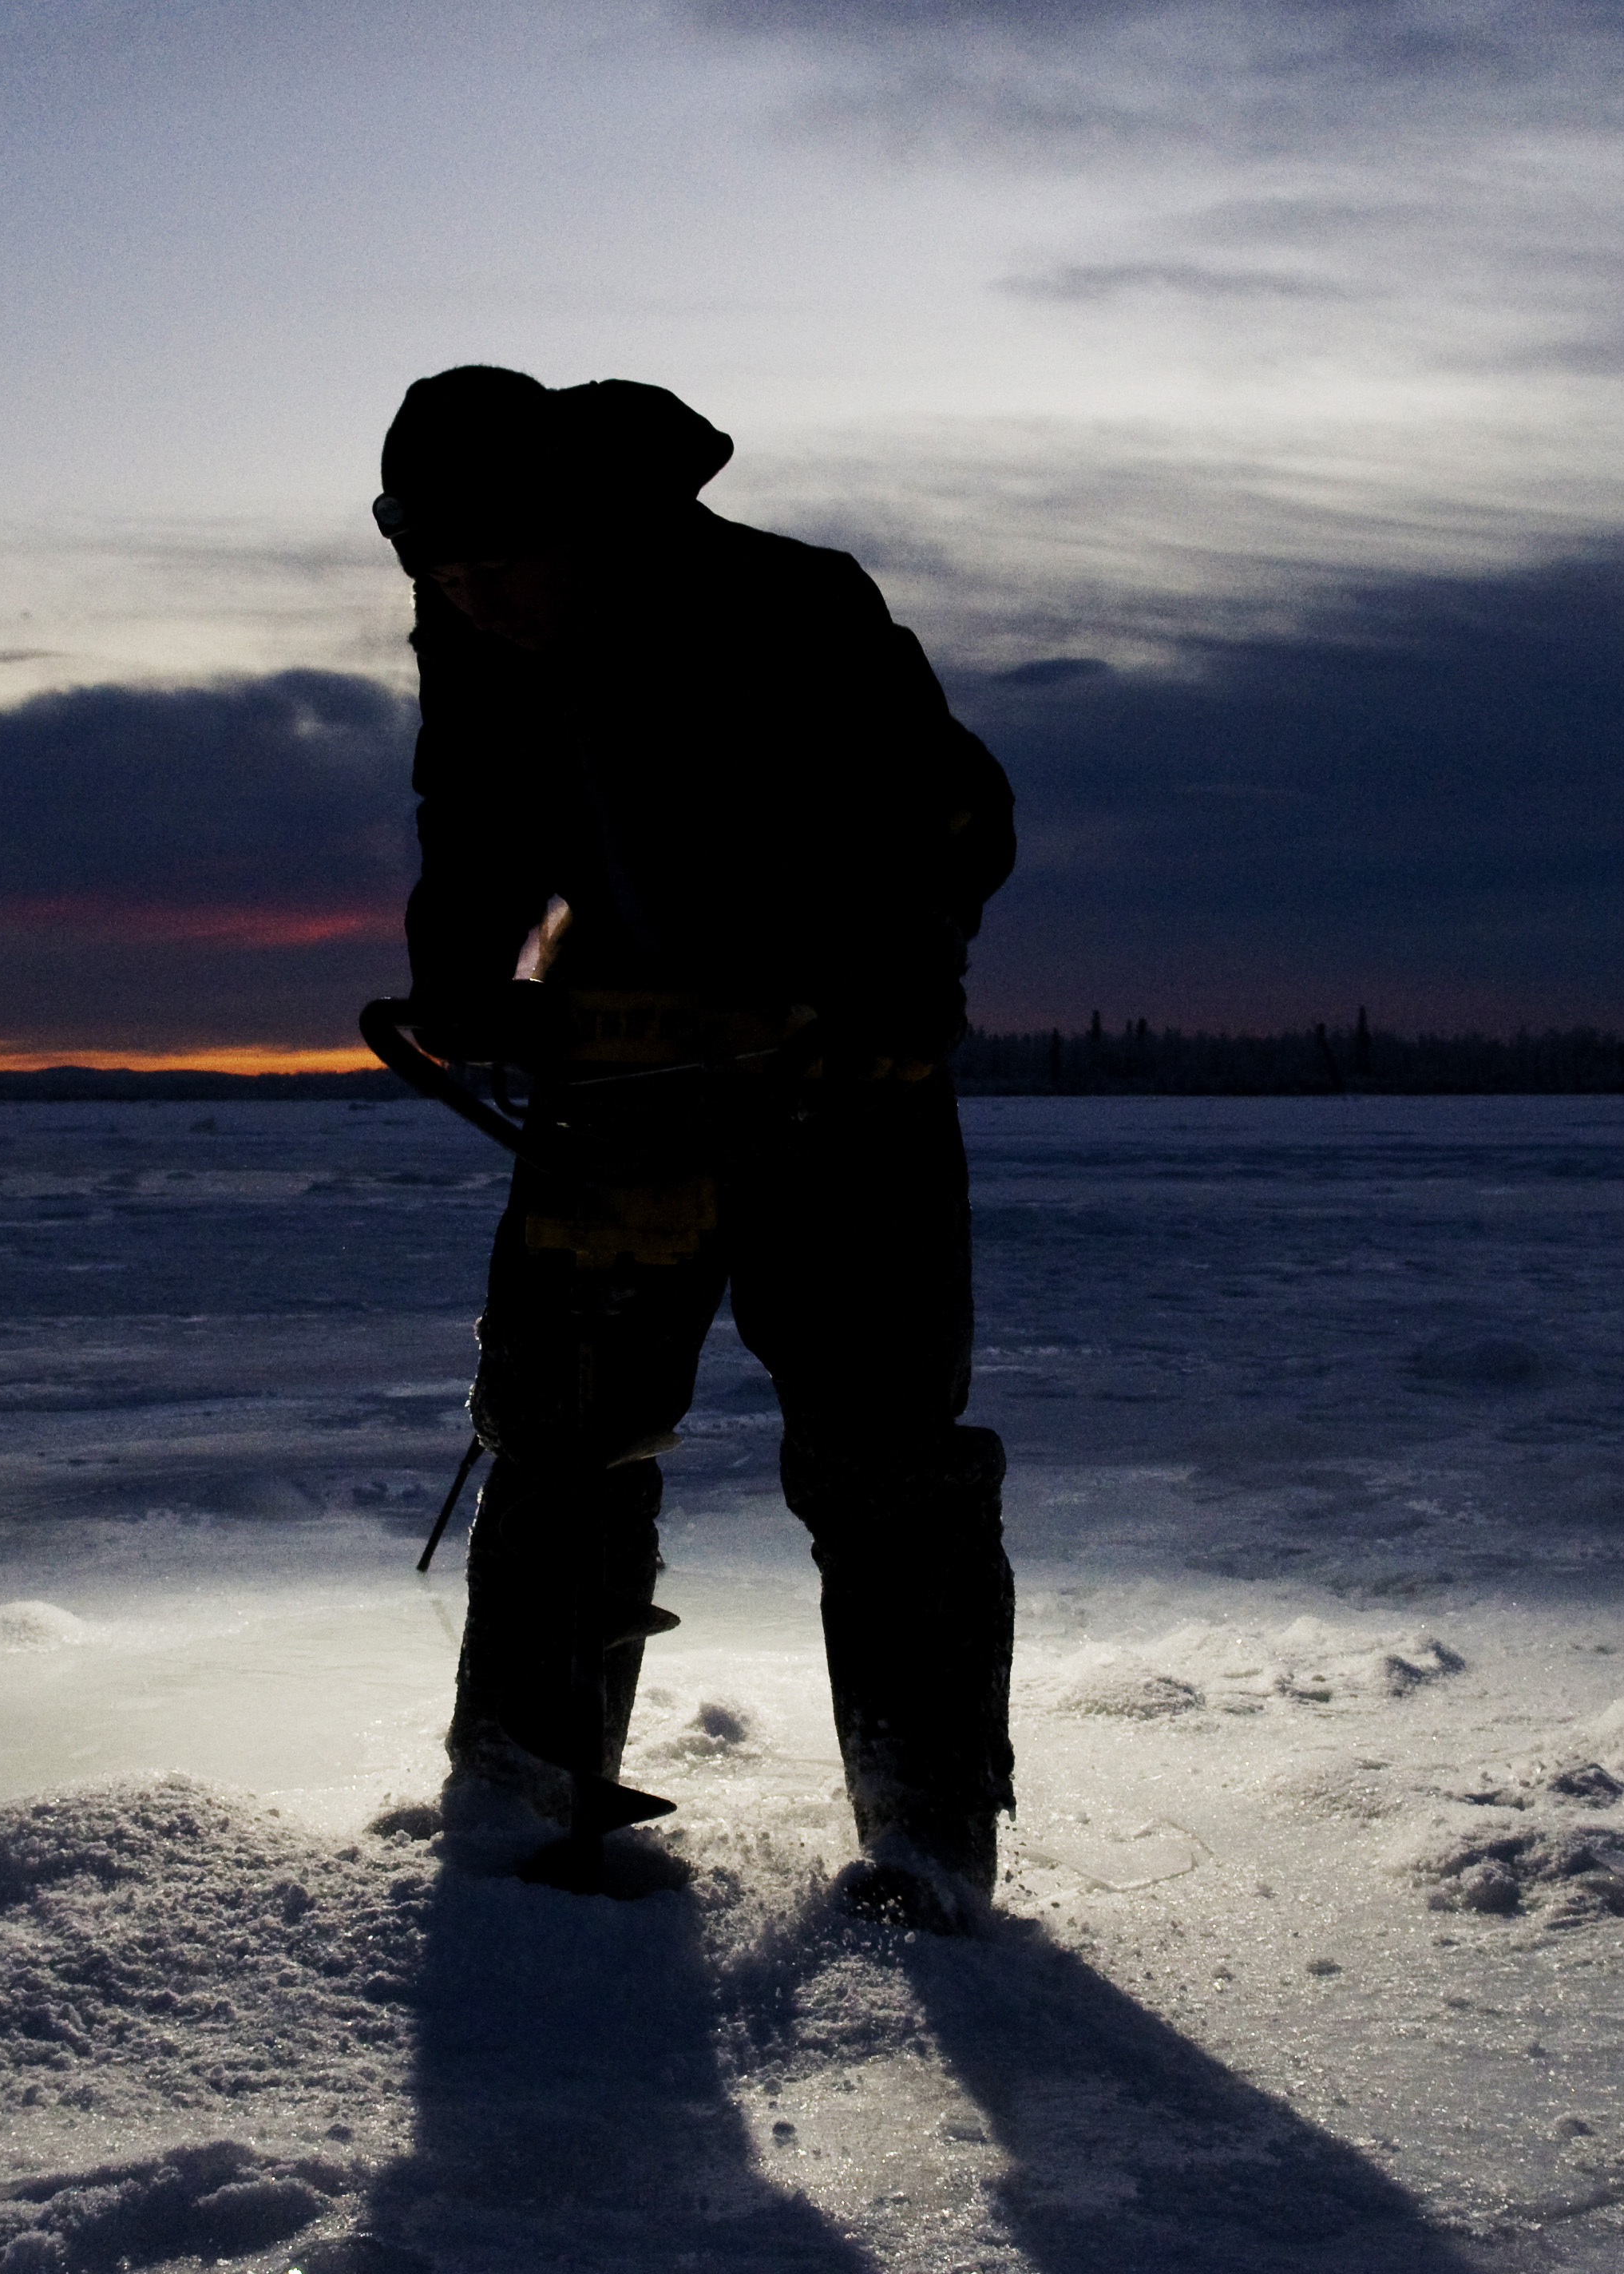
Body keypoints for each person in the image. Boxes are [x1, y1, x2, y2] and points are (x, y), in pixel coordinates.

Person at [376, 365, 1019, 1930]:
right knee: (559, 1441)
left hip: (837, 1094)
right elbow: (477, 850)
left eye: (494, 566)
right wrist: (470, 988)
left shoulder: (788, 605)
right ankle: (520, 1811)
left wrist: (902, 959)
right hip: (619, 1096)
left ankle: (927, 1841)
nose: (472, 601)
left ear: (576, 523)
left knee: (883, 1460)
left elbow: (959, 816)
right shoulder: (476, 646)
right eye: (438, 576)